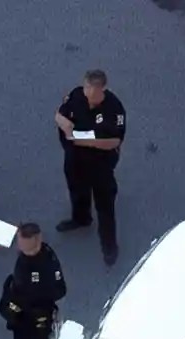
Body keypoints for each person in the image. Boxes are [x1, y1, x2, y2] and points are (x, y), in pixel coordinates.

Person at [53, 69, 127, 266]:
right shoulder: (77, 95)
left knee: (105, 207)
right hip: (74, 159)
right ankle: (81, 218)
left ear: (103, 88)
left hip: (100, 166)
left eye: (93, 92)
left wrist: (83, 141)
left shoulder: (114, 109)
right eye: (87, 89)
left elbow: (113, 141)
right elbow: (59, 115)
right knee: (77, 191)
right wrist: (66, 124)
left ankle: (109, 247)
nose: (89, 97)